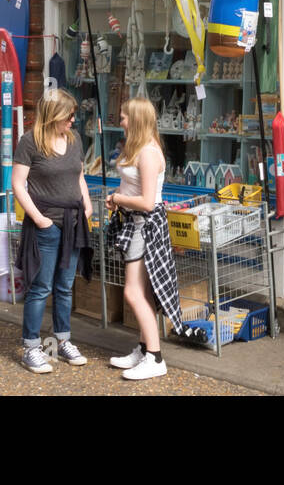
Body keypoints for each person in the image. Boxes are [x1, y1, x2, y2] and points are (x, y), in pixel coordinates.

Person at [12, 89, 93, 375]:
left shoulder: (74, 140)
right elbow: (18, 184)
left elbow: (79, 175)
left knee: (64, 286)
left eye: (73, 115)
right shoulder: (30, 142)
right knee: (41, 286)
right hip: (46, 222)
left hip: (73, 221)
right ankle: (31, 347)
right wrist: (38, 218)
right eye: (69, 115)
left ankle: (63, 341)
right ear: (53, 115)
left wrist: (87, 204)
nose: (73, 120)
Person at [104, 97, 172, 379]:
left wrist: (118, 198)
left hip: (145, 226)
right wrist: (119, 200)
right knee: (143, 292)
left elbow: (147, 202)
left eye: (123, 117)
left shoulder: (148, 153)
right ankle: (144, 349)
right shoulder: (141, 147)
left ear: (136, 119)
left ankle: (155, 358)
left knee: (133, 291)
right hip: (137, 225)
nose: (120, 121)